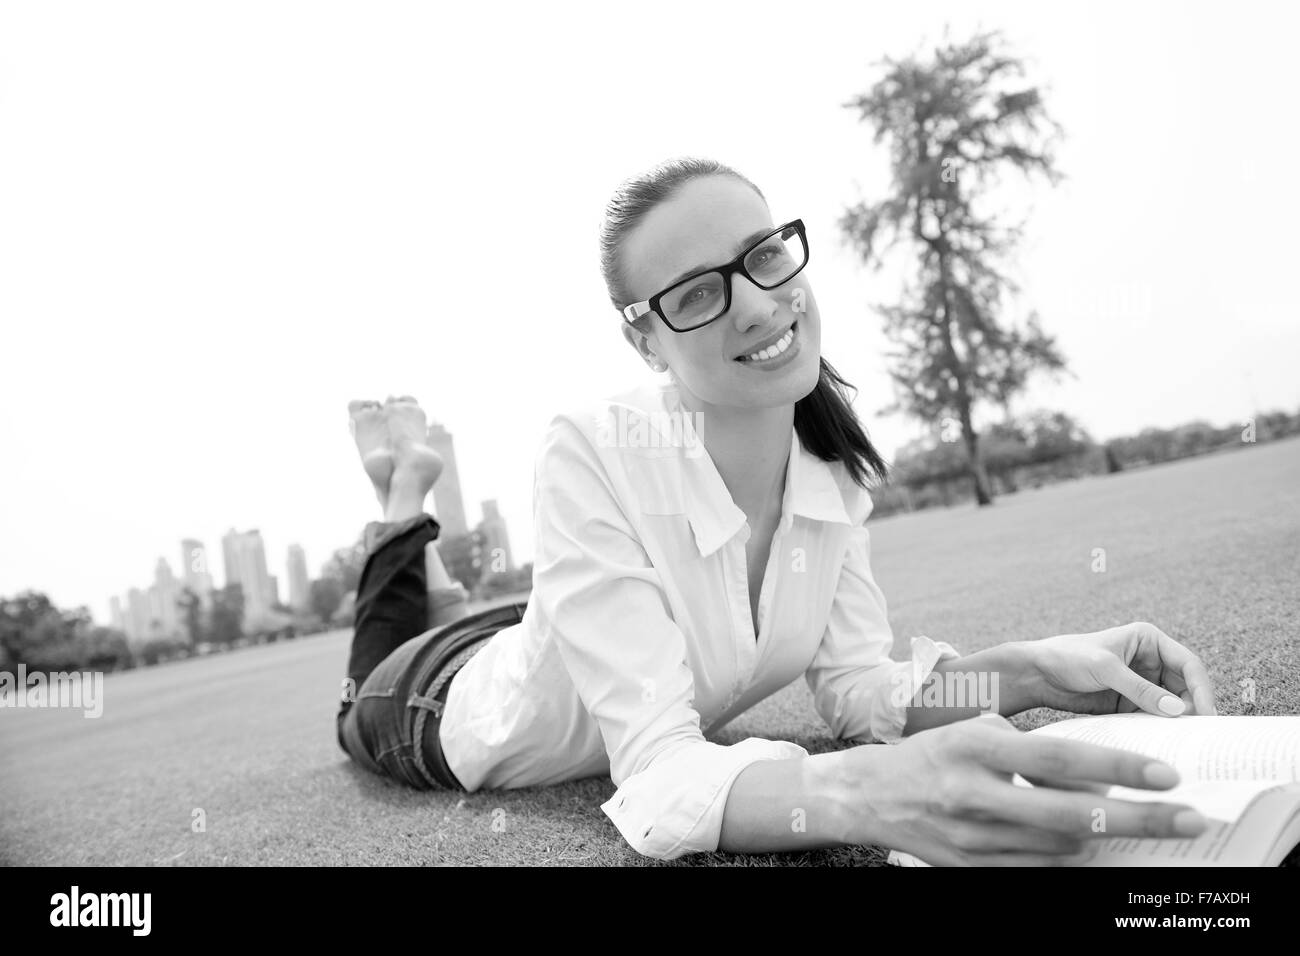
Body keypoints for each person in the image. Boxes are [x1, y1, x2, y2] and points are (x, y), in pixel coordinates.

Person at [335, 156, 1219, 865]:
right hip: (434, 703)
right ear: (644, 340)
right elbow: (659, 771)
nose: (759, 305)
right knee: (375, 659)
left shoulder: (830, 471)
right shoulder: (592, 448)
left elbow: (860, 692)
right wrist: (866, 791)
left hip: (552, 634)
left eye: (763, 255)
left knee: (511, 622)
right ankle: (402, 498)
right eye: (695, 294)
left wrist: (1030, 673)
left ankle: (418, 527)